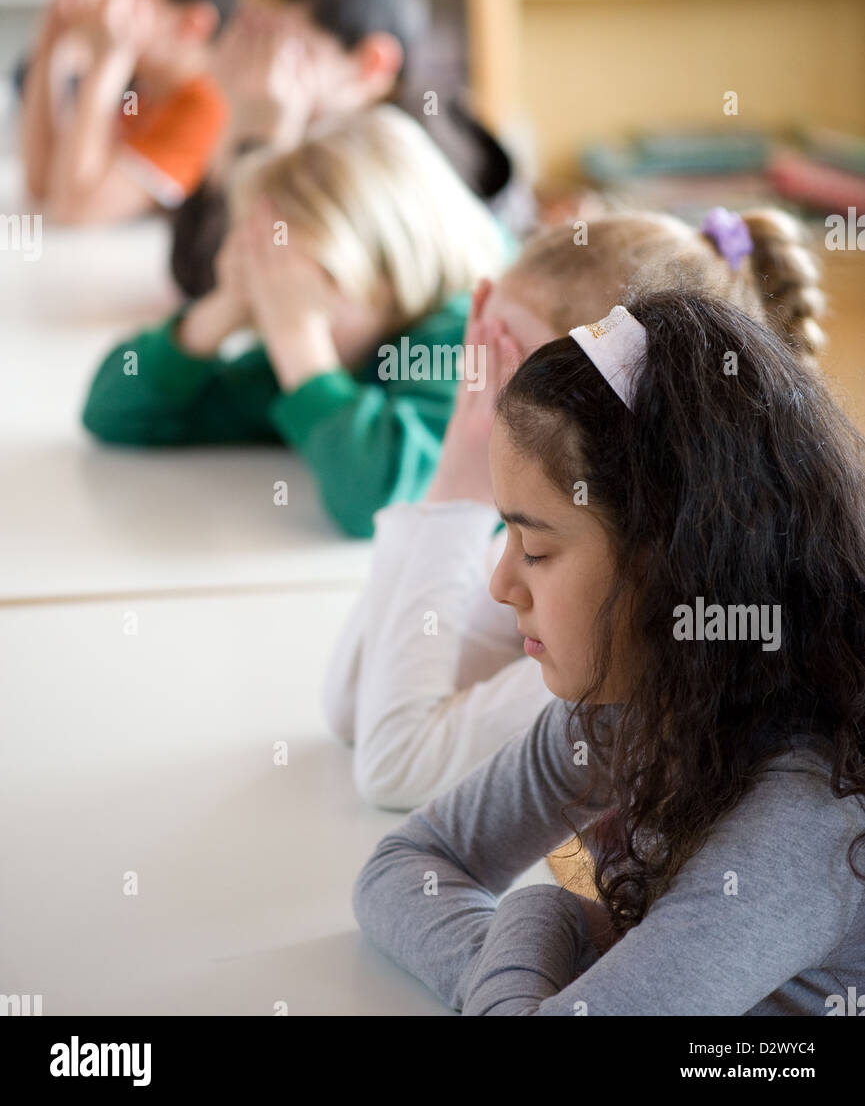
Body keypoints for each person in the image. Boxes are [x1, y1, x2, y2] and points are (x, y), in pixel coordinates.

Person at [353, 288, 865, 1016]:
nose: (501, 584)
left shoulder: (802, 821)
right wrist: (526, 947)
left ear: (673, 565)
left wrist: (541, 918)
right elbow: (408, 865)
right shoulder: (625, 708)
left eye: (535, 548)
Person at [326, 207, 828, 808]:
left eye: (511, 368)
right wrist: (450, 481)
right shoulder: (545, 548)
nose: (487, 397)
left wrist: (460, 492)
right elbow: (351, 702)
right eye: (480, 357)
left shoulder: (629, 625)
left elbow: (395, 767)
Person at [81, 105, 512, 537]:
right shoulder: (303, 357)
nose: (279, 302)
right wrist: (224, 308)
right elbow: (113, 413)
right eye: (268, 272)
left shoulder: (472, 340)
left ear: (388, 274)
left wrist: (298, 338)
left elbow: (378, 503)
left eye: (301, 281)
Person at [170, 0, 528, 298]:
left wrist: (264, 142)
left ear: (369, 64)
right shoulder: (319, 124)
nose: (242, 51)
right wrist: (233, 129)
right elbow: (192, 275)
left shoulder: (411, 147)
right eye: (241, 27)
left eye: (265, 37)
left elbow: (251, 291)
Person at [21, 0, 242, 223]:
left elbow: (76, 210)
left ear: (191, 23)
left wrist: (108, 61)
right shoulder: (142, 91)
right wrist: (50, 41)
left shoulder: (209, 107)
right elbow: (42, 184)